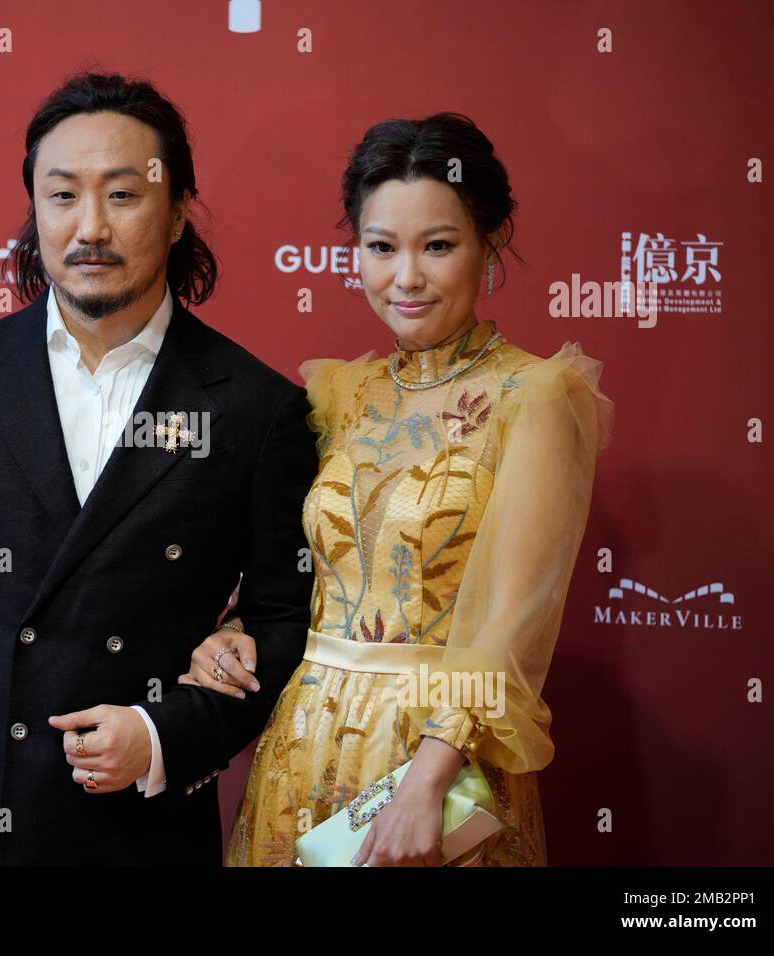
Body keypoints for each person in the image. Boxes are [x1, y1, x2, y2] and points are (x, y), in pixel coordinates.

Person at [0, 72, 315, 866]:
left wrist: (166, 733)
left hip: (140, 829)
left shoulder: (257, 408)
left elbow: (282, 621)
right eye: (62, 197)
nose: (90, 226)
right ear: (35, 210)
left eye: (123, 195)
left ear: (179, 209)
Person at [180, 113, 614, 866]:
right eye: (381, 248)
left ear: (492, 243)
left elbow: (514, 628)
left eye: (437, 246)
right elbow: (297, 577)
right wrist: (236, 627)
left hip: (437, 766)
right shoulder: (339, 394)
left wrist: (426, 780)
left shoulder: (535, 396)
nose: (404, 277)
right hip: (302, 747)